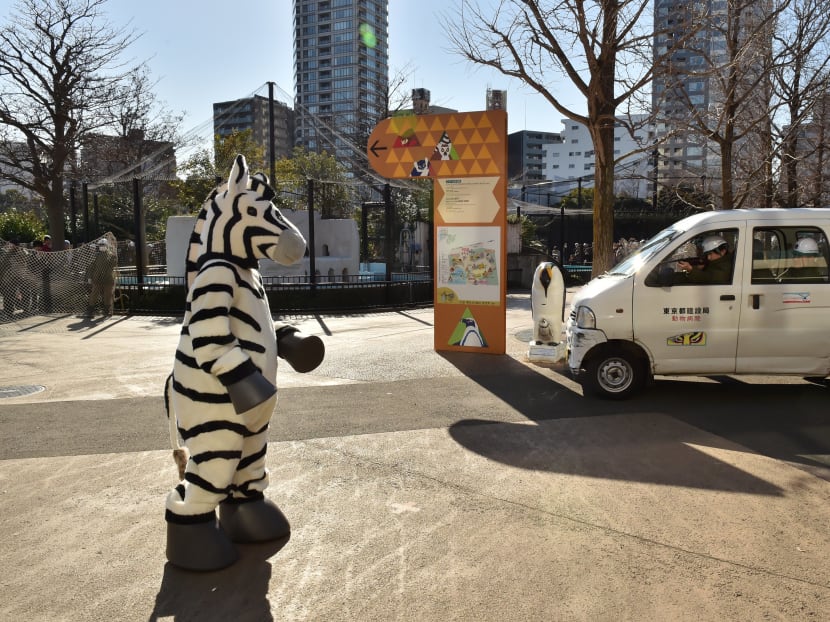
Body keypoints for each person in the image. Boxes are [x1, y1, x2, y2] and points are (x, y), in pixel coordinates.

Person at [85, 238, 117, 316]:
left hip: (108, 278)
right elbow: (90, 267)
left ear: (107, 246)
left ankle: (106, 311)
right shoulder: (95, 256)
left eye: (103, 245)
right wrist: (89, 277)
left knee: (108, 295)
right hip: (97, 278)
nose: (102, 246)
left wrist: (113, 253)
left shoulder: (112, 255)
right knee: (94, 295)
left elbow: (114, 264)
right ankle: (90, 311)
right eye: (100, 245)